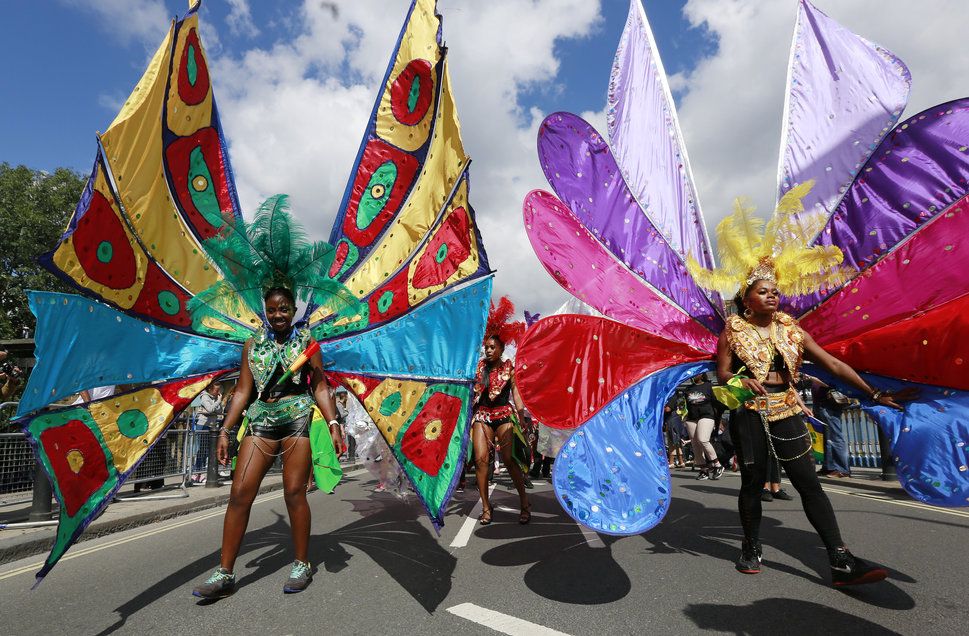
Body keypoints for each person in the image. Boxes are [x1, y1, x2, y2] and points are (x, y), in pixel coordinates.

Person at [716, 276, 913, 585]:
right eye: (763, 292)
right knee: (752, 483)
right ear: (747, 300)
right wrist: (739, 381)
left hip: (788, 408)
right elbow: (723, 372)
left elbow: (832, 365)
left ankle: (839, 557)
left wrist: (873, 394)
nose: (772, 296)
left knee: (808, 483)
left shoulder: (793, 331)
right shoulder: (732, 331)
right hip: (751, 410)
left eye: (775, 292)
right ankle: (751, 546)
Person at [192, 287, 344, 599]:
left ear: (293, 309)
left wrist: (333, 423)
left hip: (297, 417)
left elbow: (319, 386)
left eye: (284, 309)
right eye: (272, 310)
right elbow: (243, 392)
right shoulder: (252, 345)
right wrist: (225, 430)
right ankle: (225, 573)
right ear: (265, 310)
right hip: (261, 419)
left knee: (293, 492)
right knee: (239, 493)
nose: (278, 315)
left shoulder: (307, 343)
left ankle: (302, 564)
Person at [472, 297, 530, 525]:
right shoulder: (478, 368)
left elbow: (516, 394)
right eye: (486, 346)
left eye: (492, 347)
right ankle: (486, 508)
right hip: (482, 416)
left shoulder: (509, 368)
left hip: (504, 414)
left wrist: (523, 415)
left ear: (501, 348)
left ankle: (524, 503)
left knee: (509, 459)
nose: (487, 350)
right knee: (480, 460)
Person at [808, 376, 853, 478]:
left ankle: (842, 469)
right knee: (826, 438)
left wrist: (813, 379)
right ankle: (829, 467)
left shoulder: (826, 369)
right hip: (821, 405)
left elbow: (831, 383)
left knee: (835, 437)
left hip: (829, 405)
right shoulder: (818, 368)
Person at [683, 374, 725, 480]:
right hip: (691, 418)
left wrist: (718, 421)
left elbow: (716, 403)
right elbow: (686, 405)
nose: (694, 375)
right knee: (695, 444)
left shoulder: (708, 386)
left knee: (703, 439)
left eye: (697, 373)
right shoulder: (688, 388)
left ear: (701, 375)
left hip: (707, 416)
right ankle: (703, 470)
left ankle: (717, 464)